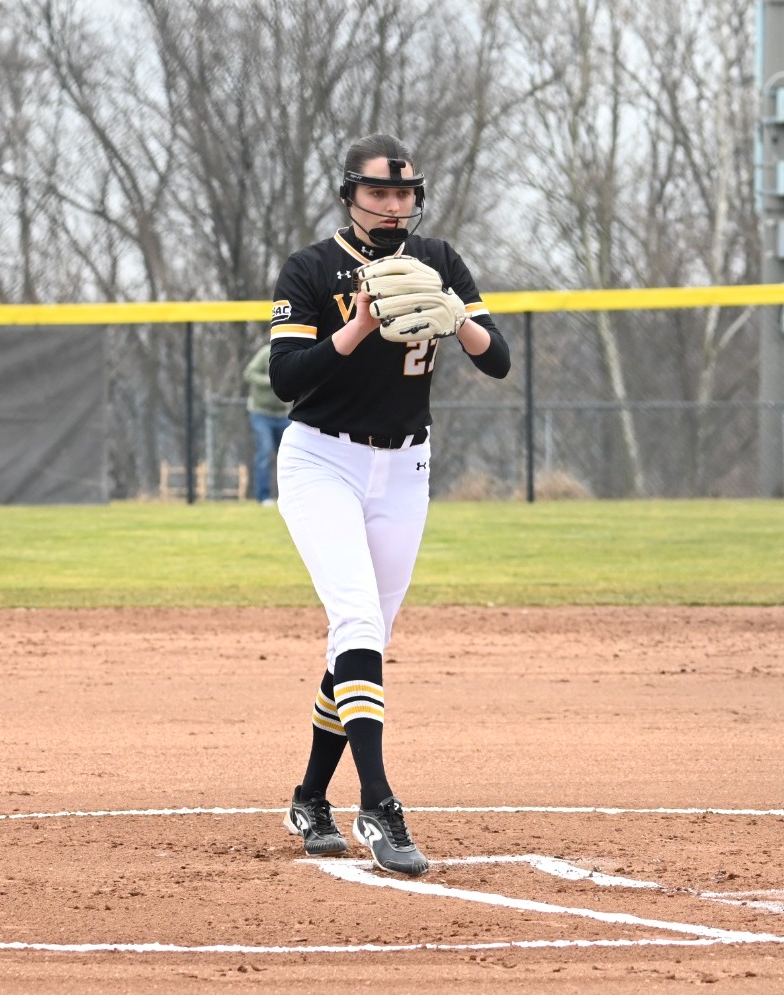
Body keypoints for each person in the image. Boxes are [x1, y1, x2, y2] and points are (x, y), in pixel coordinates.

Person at [266, 134, 510, 875]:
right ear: (349, 196)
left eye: (402, 193)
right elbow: (286, 377)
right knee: (358, 623)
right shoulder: (310, 268)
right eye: (376, 192)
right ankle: (378, 803)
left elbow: (494, 357)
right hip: (321, 459)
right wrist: (359, 323)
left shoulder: (439, 261)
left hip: (405, 466)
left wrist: (453, 314)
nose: (391, 204)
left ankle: (310, 795)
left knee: (361, 641)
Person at [243, 342, 292, 505]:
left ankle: (290, 496)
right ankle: (263, 496)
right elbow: (249, 373)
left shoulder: (293, 352)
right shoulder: (266, 352)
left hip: (283, 414)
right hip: (261, 413)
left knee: (289, 456)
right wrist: (271, 380)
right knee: (264, 452)